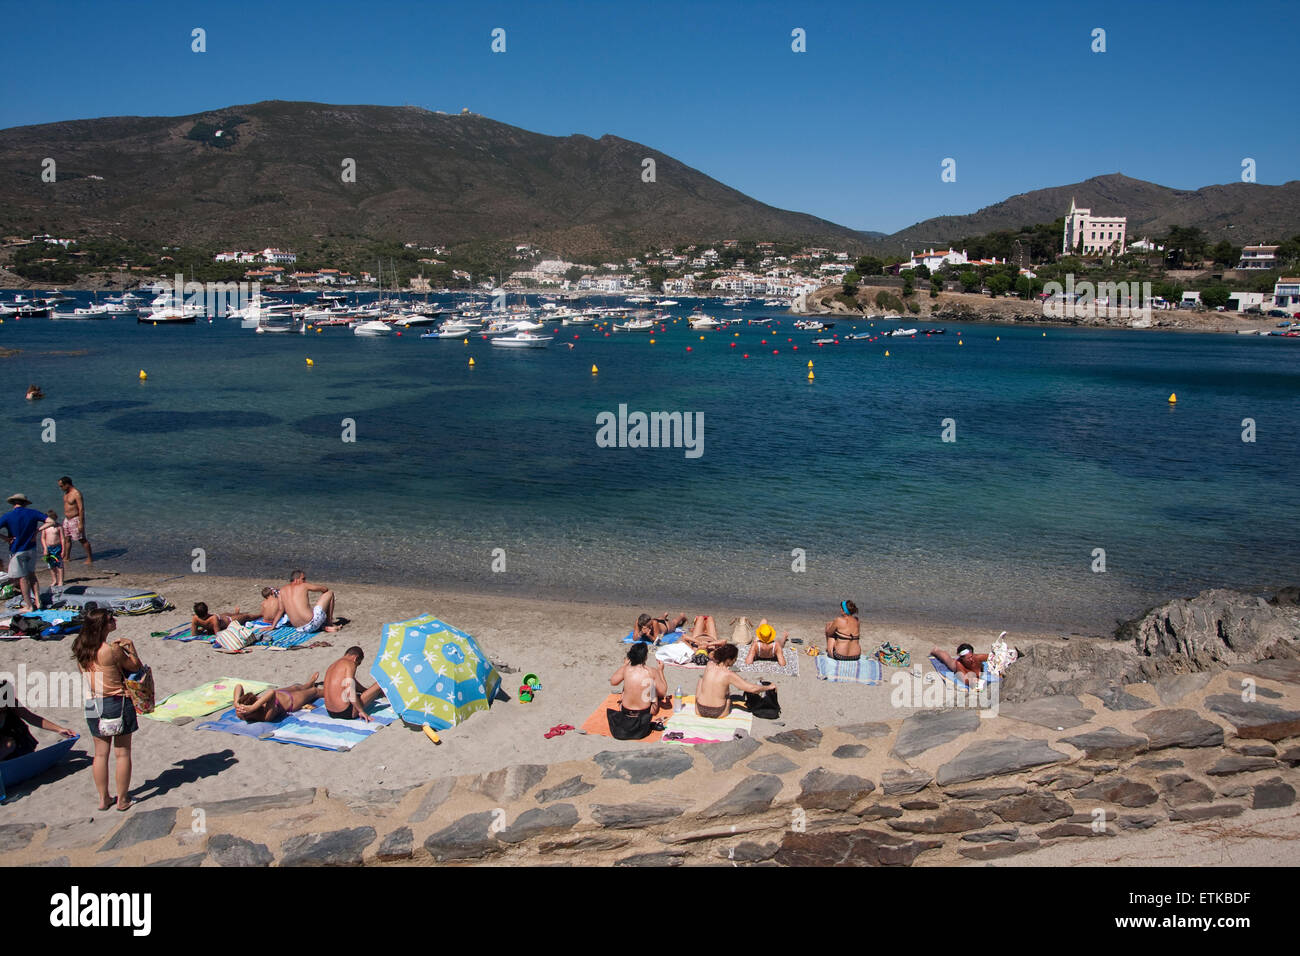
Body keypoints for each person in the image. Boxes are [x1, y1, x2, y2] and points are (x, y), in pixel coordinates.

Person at [72, 608, 140, 811]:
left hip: (93, 703)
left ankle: (104, 798)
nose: (115, 620)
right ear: (102, 625)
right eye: (111, 619)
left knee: (100, 754)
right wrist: (132, 648)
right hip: (116, 701)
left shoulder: (80, 647)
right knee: (122, 753)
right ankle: (122, 799)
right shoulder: (111, 650)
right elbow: (135, 667)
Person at [0, 678, 76, 762]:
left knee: (10, 744)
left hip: (14, 738)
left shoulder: (12, 704)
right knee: (7, 745)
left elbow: (31, 718)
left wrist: (59, 729)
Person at [694, 644, 775, 719]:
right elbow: (751, 688)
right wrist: (769, 687)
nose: (735, 661)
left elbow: (712, 654)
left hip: (700, 710)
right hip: (718, 712)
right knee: (727, 697)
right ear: (729, 660)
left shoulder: (709, 664)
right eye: (735, 659)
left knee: (701, 680)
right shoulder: (729, 674)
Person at [0, 493, 49, 612]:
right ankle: (38, 600)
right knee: (32, 574)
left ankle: (29, 605)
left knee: (22, 578)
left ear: (13, 504)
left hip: (17, 550)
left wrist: (5, 538)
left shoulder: (8, 516)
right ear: (25, 503)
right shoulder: (33, 513)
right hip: (31, 549)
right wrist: (37, 531)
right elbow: (51, 521)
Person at [323, 646, 386, 721]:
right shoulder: (350, 663)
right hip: (345, 712)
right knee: (381, 682)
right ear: (355, 658)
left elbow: (352, 682)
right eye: (358, 663)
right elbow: (350, 690)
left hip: (330, 712)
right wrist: (361, 711)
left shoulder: (333, 665)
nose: (357, 665)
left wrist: (366, 691)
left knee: (367, 692)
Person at [609, 642, 669, 719]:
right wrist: (660, 671)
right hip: (646, 712)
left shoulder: (626, 669)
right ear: (645, 657)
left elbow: (613, 682)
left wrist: (624, 665)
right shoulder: (652, 671)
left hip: (625, 710)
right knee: (652, 687)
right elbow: (663, 692)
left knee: (626, 686)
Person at [233, 673, 322, 723]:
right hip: (291, 701)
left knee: (297, 687)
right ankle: (331, 692)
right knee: (314, 691)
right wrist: (253, 707)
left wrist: (236, 703)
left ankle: (309, 683)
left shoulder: (240, 710)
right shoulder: (265, 716)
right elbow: (271, 693)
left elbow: (238, 686)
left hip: (281, 692)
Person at [57, 476, 93, 565]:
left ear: (67, 484)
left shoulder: (76, 493)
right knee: (67, 538)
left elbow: (81, 509)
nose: (60, 488)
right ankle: (67, 557)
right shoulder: (66, 493)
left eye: (61, 486)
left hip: (75, 519)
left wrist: (81, 523)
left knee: (81, 539)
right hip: (67, 519)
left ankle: (89, 558)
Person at [190, 601, 257, 637]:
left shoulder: (195, 618)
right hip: (229, 621)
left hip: (224, 619)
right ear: (207, 611)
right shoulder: (213, 619)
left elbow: (194, 634)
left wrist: (203, 630)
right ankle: (261, 614)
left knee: (226, 614)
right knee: (246, 616)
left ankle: (236, 613)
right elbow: (218, 634)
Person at [39, 512, 68, 590]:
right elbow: (43, 538)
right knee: (51, 565)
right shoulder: (45, 528)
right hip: (49, 548)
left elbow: (62, 539)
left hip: (57, 548)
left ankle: (61, 580)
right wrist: (45, 548)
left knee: (59, 565)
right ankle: (54, 580)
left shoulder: (59, 527)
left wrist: (63, 550)